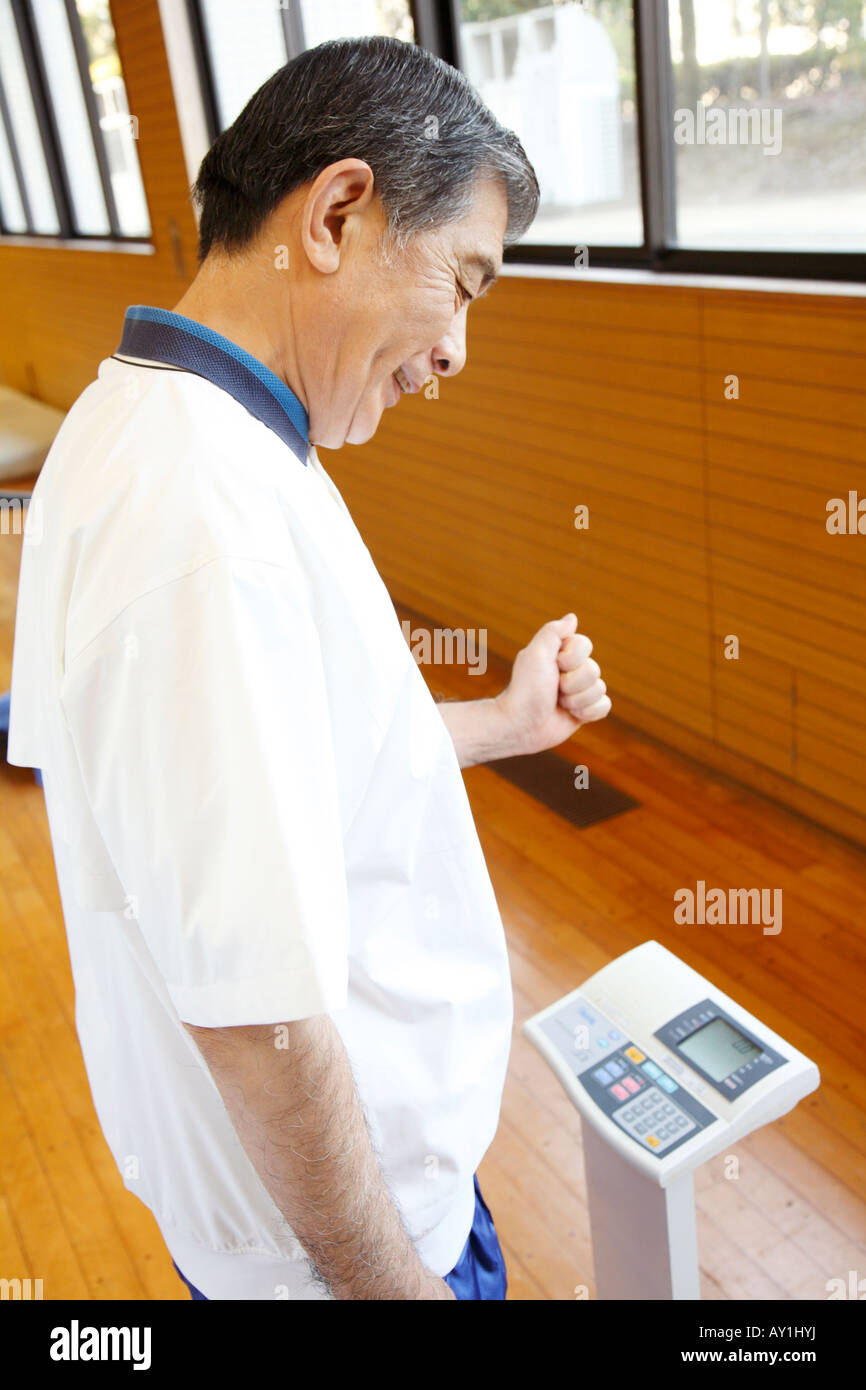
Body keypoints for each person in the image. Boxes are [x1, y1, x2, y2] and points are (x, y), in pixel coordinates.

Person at [7, 37, 610, 1301]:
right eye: (462, 283)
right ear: (336, 213)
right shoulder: (201, 512)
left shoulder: (171, 423)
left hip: (345, 1217)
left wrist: (499, 721)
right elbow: (253, 1014)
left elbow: (294, 763)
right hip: (347, 1256)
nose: (454, 351)